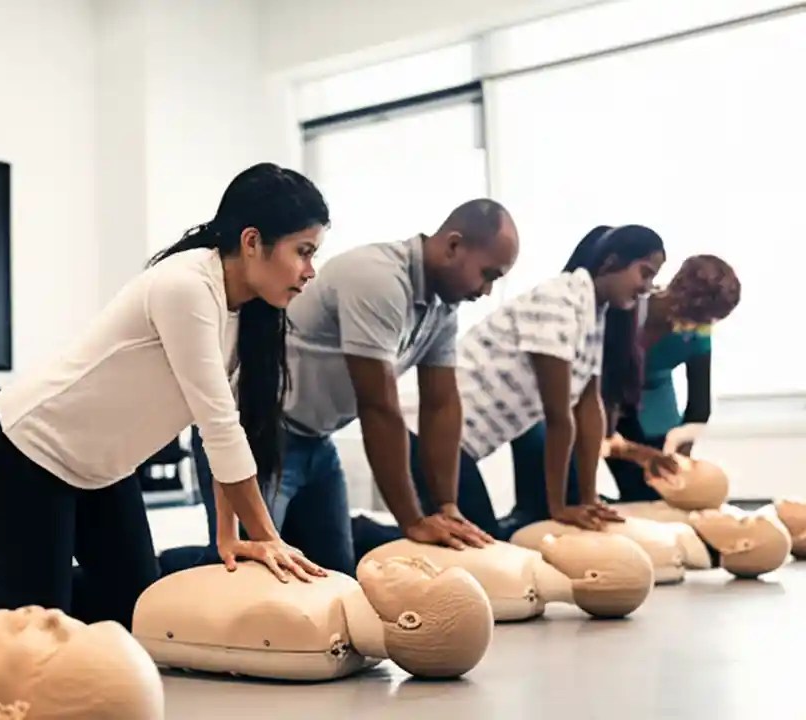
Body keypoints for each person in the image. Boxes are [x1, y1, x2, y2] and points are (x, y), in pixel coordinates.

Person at [0, 163, 332, 631]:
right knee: (45, 623)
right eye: (304, 252)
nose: (311, 271)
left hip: (104, 470)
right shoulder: (186, 286)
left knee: (131, 613)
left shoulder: (249, 314)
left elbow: (230, 426)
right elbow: (218, 427)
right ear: (252, 242)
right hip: (32, 447)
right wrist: (268, 537)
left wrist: (230, 537)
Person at [156, 199, 520, 577]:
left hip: (316, 442)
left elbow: (440, 404)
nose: (488, 290)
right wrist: (412, 520)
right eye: (487, 274)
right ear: (454, 246)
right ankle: (153, 569)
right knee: (254, 571)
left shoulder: (441, 308)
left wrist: (447, 507)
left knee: (334, 578)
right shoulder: (378, 278)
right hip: (258, 433)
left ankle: (356, 531)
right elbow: (378, 406)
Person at [351, 224, 669, 556]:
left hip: (457, 445)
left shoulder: (594, 313)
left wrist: (587, 500)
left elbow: (589, 409)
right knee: (475, 549)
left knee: (484, 544)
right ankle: (358, 534)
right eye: (644, 273)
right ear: (610, 262)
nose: (647, 288)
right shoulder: (559, 301)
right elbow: (558, 414)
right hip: (425, 434)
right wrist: (558, 507)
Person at [506, 252, 741, 515]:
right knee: (568, 479)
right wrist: (623, 449)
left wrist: (679, 461)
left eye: (705, 323)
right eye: (694, 318)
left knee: (649, 496)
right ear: (676, 294)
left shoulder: (699, 333)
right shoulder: (624, 311)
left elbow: (699, 406)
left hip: (651, 402)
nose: (695, 328)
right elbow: (597, 416)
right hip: (597, 390)